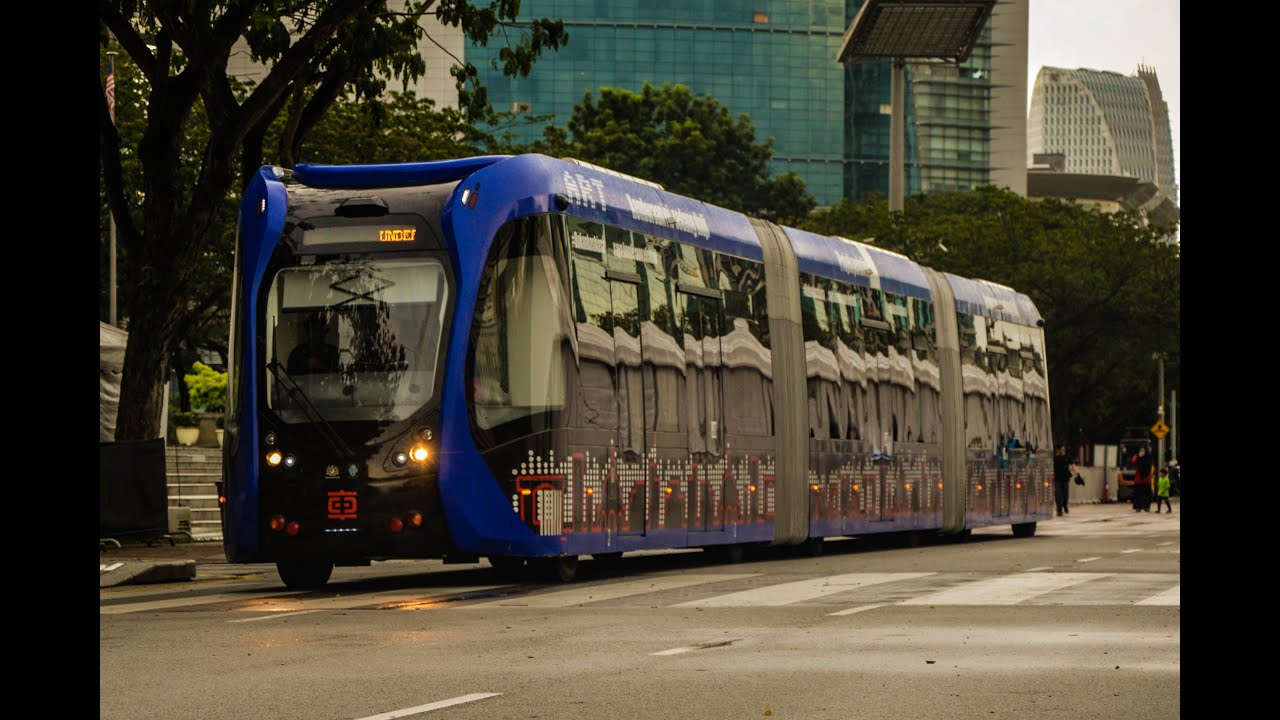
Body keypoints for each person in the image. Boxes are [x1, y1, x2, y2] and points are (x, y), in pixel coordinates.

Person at [1052, 443, 1075, 516]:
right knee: (1058, 495)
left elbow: (1072, 465)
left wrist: (1077, 473)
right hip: (1057, 480)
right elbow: (1050, 468)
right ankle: (1059, 510)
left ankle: (1065, 505)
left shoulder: (1067, 457)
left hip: (1066, 479)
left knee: (1066, 495)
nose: (1062, 451)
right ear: (1057, 450)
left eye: (1063, 449)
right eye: (1061, 450)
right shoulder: (1054, 458)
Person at [1132, 445, 1155, 512]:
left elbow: (1150, 466)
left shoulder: (1149, 457)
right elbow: (1133, 461)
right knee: (1138, 494)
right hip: (1139, 479)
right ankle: (1138, 507)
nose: (1142, 452)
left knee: (1147, 494)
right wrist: (1139, 456)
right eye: (1141, 450)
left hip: (1146, 479)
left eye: (1143, 450)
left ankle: (1146, 507)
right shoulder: (1136, 456)